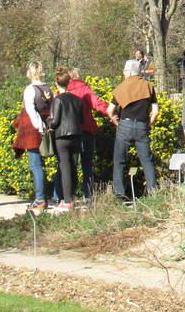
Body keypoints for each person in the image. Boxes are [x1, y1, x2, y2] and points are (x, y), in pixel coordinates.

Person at [49, 69, 112, 205]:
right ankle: (88, 196)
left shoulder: (61, 91)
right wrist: (111, 112)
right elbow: (97, 104)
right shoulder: (84, 89)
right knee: (87, 165)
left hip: (66, 133)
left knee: (65, 164)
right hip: (86, 130)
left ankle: (60, 195)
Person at [109, 58, 159, 200]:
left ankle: (119, 194)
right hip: (142, 125)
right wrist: (148, 124)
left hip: (124, 125)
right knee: (147, 161)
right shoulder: (148, 86)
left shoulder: (121, 88)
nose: (123, 73)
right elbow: (155, 112)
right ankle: (152, 193)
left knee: (119, 160)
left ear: (130, 72)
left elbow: (109, 110)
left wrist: (116, 122)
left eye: (124, 71)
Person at [14, 60, 53, 212]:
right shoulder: (48, 89)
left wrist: (39, 127)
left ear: (29, 73)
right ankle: (50, 196)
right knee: (42, 165)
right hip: (47, 127)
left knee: (36, 165)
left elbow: (31, 111)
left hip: (34, 129)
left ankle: (40, 199)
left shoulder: (30, 89)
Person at [48, 66, 84, 212]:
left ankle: (67, 200)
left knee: (65, 167)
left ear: (57, 84)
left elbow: (55, 121)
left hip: (62, 137)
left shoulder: (58, 100)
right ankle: (73, 197)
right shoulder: (78, 100)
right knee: (73, 166)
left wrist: (48, 123)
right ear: (69, 83)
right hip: (76, 135)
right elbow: (81, 119)